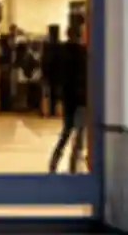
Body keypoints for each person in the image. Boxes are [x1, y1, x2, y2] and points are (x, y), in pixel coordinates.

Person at [48, 26, 88, 174]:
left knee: (66, 132)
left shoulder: (60, 52)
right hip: (81, 99)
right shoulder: (83, 53)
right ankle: (74, 167)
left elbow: (55, 74)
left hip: (68, 97)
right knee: (79, 135)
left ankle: (54, 162)